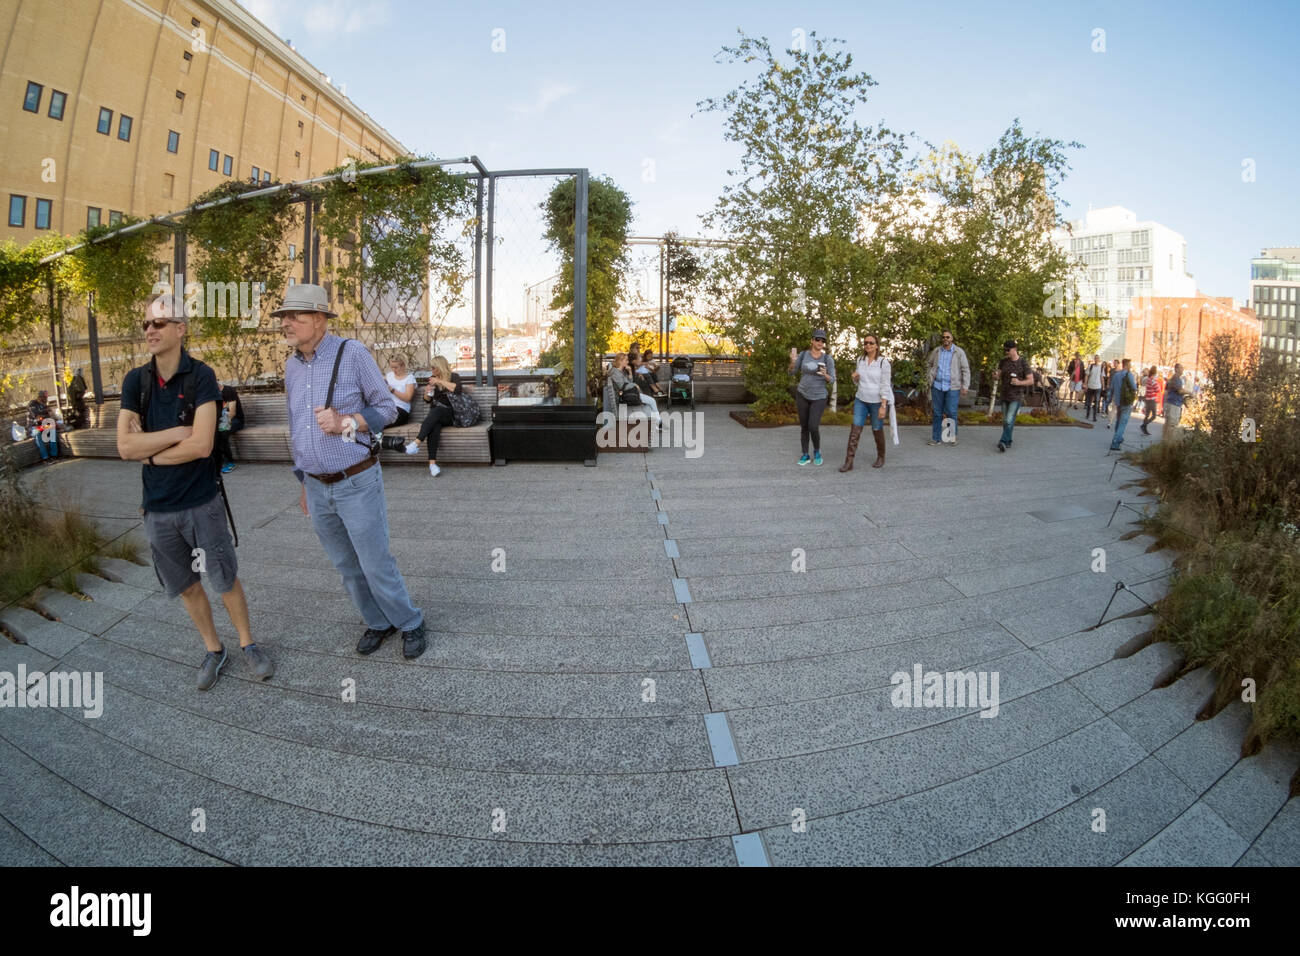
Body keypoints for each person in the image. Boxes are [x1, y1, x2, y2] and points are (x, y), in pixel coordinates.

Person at [116, 294, 270, 690]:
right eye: (146, 324)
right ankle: (213, 649)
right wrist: (174, 435)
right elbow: (124, 448)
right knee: (185, 584)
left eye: (160, 323)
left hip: (202, 502)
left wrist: (148, 450)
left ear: (181, 329)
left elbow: (203, 446)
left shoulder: (202, 376)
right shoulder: (136, 380)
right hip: (158, 509)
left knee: (223, 578)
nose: (150, 330)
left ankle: (248, 643)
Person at [275, 283, 426, 660]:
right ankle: (378, 622)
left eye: (296, 315)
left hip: (356, 480)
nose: (287, 323)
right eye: (284, 316)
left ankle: (409, 621)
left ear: (321, 320)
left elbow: (387, 409)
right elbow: (297, 427)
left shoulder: (352, 353)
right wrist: (303, 481)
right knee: (346, 565)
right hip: (316, 484)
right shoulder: (292, 366)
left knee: (375, 562)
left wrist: (346, 422)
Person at [406, 355, 465, 477]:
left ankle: (416, 443)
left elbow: (457, 389)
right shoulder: (432, 379)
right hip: (436, 415)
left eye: (433, 367)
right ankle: (432, 464)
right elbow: (428, 400)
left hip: (451, 413)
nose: (431, 370)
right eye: (431, 368)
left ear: (440, 367)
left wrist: (439, 381)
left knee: (437, 411)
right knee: (434, 426)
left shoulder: (454, 376)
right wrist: (427, 393)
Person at [841, 333, 890, 471]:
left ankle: (881, 456)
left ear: (877, 345)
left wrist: (883, 405)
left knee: (877, 429)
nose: (868, 345)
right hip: (861, 399)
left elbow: (885, 385)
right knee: (855, 430)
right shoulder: (860, 360)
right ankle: (849, 461)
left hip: (876, 402)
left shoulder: (883, 362)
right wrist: (855, 378)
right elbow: (858, 381)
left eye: (871, 343)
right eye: (865, 343)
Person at [789, 329, 835, 465]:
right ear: (812, 340)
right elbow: (792, 372)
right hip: (802, 394)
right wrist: (792, 361)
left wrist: (825, 374)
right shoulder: (803, 355)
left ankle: (817, 451)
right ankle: (805, 454)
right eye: (817, 339)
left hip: (819, 397)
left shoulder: (827, 359)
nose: (820, 342)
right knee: (804, 427)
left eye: (822, 340)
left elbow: (832, 379)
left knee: (813, 426)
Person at [925, 330, 970, 446]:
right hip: (937, 386)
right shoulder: (936, 351)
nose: (945, 339)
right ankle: (936, 438)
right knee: (937, 413)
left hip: (952, 387)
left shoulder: (958, 352)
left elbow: (965, 370)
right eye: (943, 337)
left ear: (952, 338)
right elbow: (929, 364)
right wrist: (929, 375)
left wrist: (965, 386)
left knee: (951, 412)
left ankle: (951, 436)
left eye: (948, 337)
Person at [995, 340, 1034, 453]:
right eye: (1005, 350)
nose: (1006, 352)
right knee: (1005, 421)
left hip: (1016, 396)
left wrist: (1019, 382)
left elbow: (1031, 380)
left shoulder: (1023, 363)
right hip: (1004, 394)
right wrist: (995, 376)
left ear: (1015, 349)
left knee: (1009, 419)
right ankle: (1008, 441)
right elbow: (998, 375)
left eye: (1008, 350)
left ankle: (1002, 441)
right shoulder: (1003, 361)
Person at [608, 351, 661, 427]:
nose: (628, 362)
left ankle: (655, 424)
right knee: (652, 401)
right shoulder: (615, 372)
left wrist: (630, 372)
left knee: (648, 406)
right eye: (626, 360)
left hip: (629, 393)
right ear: (621, 361)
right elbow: (622, 386)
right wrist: (635, 385)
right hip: (626, 396)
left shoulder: (620, 371)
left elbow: (628, 382)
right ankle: (659, 422)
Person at [1108, 358, 1138, 452]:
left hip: (1118, 401)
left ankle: (1118, 437)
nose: (1130, 367)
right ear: (1126, 365)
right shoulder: (1129, 374)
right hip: (1126, 401)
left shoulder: (1116, 375)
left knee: (1118, 420)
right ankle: (1116, 441)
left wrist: (1109, 399)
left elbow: (1111, 387)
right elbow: (1134, 387)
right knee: (1123, 423)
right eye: (1129, 365)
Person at [215, 385, 245, 474]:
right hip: (220, 420)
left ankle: (230, 463)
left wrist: (221, 425)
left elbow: (232, 412)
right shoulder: (210, 393)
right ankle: (218, 461)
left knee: (222, 432)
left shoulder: (228, 390)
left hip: (236, 420)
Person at [26, 390, 58, 463]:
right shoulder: (32, 404)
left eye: (46, 397)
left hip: (42, 426)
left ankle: (54, 455)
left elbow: (48, 416)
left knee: (52, 430)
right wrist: (45, 413)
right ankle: (45, 458)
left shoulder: (44, 405)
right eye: (44, 397)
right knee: (38, 433)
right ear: (39, 397)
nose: (45, 399)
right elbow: (36, 415)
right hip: (33, 427)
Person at [384, 355, 416, 427]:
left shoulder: (409, 378)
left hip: (401, 410)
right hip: (387, 407)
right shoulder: (389, 376)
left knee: (377, 423)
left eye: (396, 367)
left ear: (403, 366)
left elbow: (407, 398)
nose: (393, 370)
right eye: (392, 367)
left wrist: (392, 390)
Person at [1163, 363, 1187, 442]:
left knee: (1168, 424)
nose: (1182, 370)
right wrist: (1189, 393)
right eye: (1181, 368)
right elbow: (1179, 390)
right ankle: (1168, 441)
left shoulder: (1173, 379)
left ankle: (1165, 440)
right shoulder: (1176, 379)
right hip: (1174, 403)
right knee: (1172, 424)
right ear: (1176, 369)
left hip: (1171, 403)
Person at [1140, 366, 1159, 435]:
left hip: (1147, 398)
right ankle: (1144, 425)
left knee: (1147, 414)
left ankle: (1144, 428)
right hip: (1152, 399)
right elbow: (1157, 389)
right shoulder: (1153, 380)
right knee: (1154, 415)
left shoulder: (1147, 379)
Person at [1084, 354, 1103, 422]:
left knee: (1097, 402)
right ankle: (1088, 414)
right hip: (1090, 386)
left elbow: (1101, 377)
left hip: (1098, 387)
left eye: (1097, 358)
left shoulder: (1101, 367)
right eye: (1095, 358)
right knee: (1089, 401)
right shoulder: (1090, 366)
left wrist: (1103, 386)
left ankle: (1094, 416)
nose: (1096, 359)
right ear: (1094, 359)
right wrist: (1085, 384)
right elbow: (1086, 375)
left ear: (1099, 359)